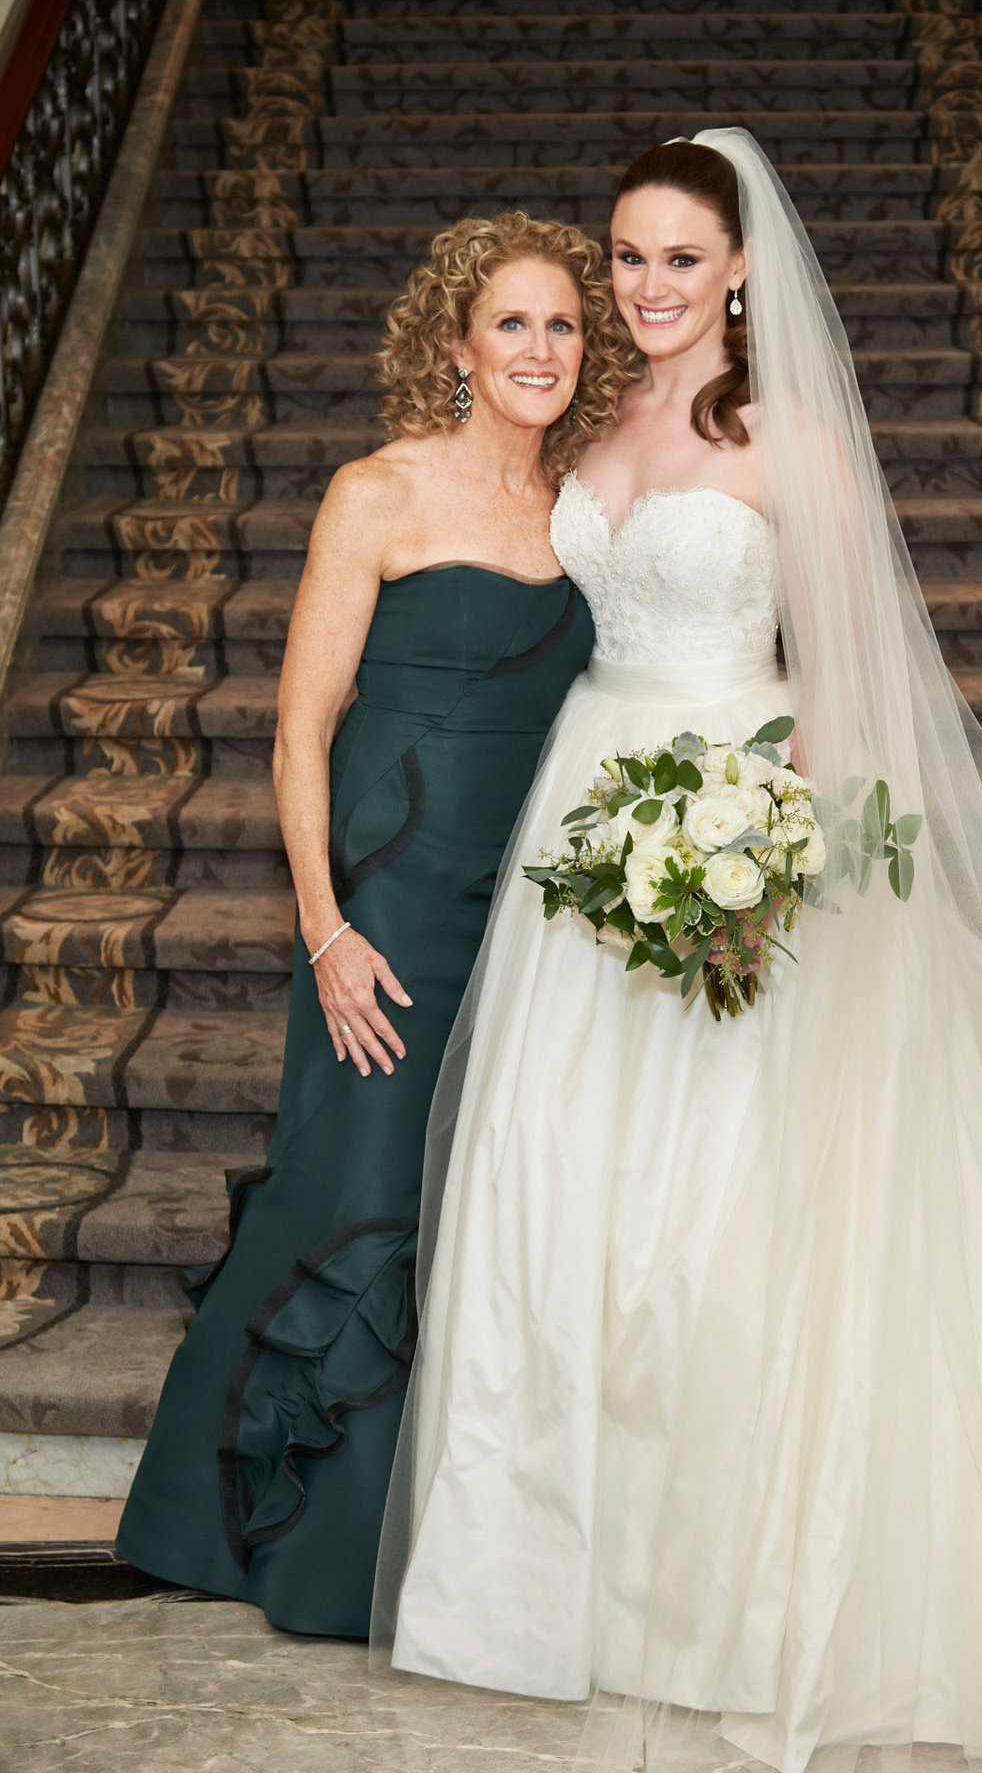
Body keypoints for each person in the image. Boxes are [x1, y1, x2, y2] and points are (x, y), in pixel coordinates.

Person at [375, 137, 982, 1773]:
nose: (645, 290)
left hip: (739, 804)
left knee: (731, 1202)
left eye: (677, 261)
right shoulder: (590, 420)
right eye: (626, 259)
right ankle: (538, 1593)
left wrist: (765, 859)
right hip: (588, 803)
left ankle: (725, 1606)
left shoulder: (791, 442)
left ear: (740, 272)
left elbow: (852, 685)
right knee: (561, 1173)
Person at [115, 212, 636, 1638]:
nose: (540, 349)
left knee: (485, 1208)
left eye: (563, 325)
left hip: (533, 906)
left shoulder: (588, 507)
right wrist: (327, 929)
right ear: (458, 342)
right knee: (353, 1193)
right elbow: (297, 734)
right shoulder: (379, 493)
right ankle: (252, 1534)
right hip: (388, 896)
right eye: (512, 323)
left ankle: (444, 1541)